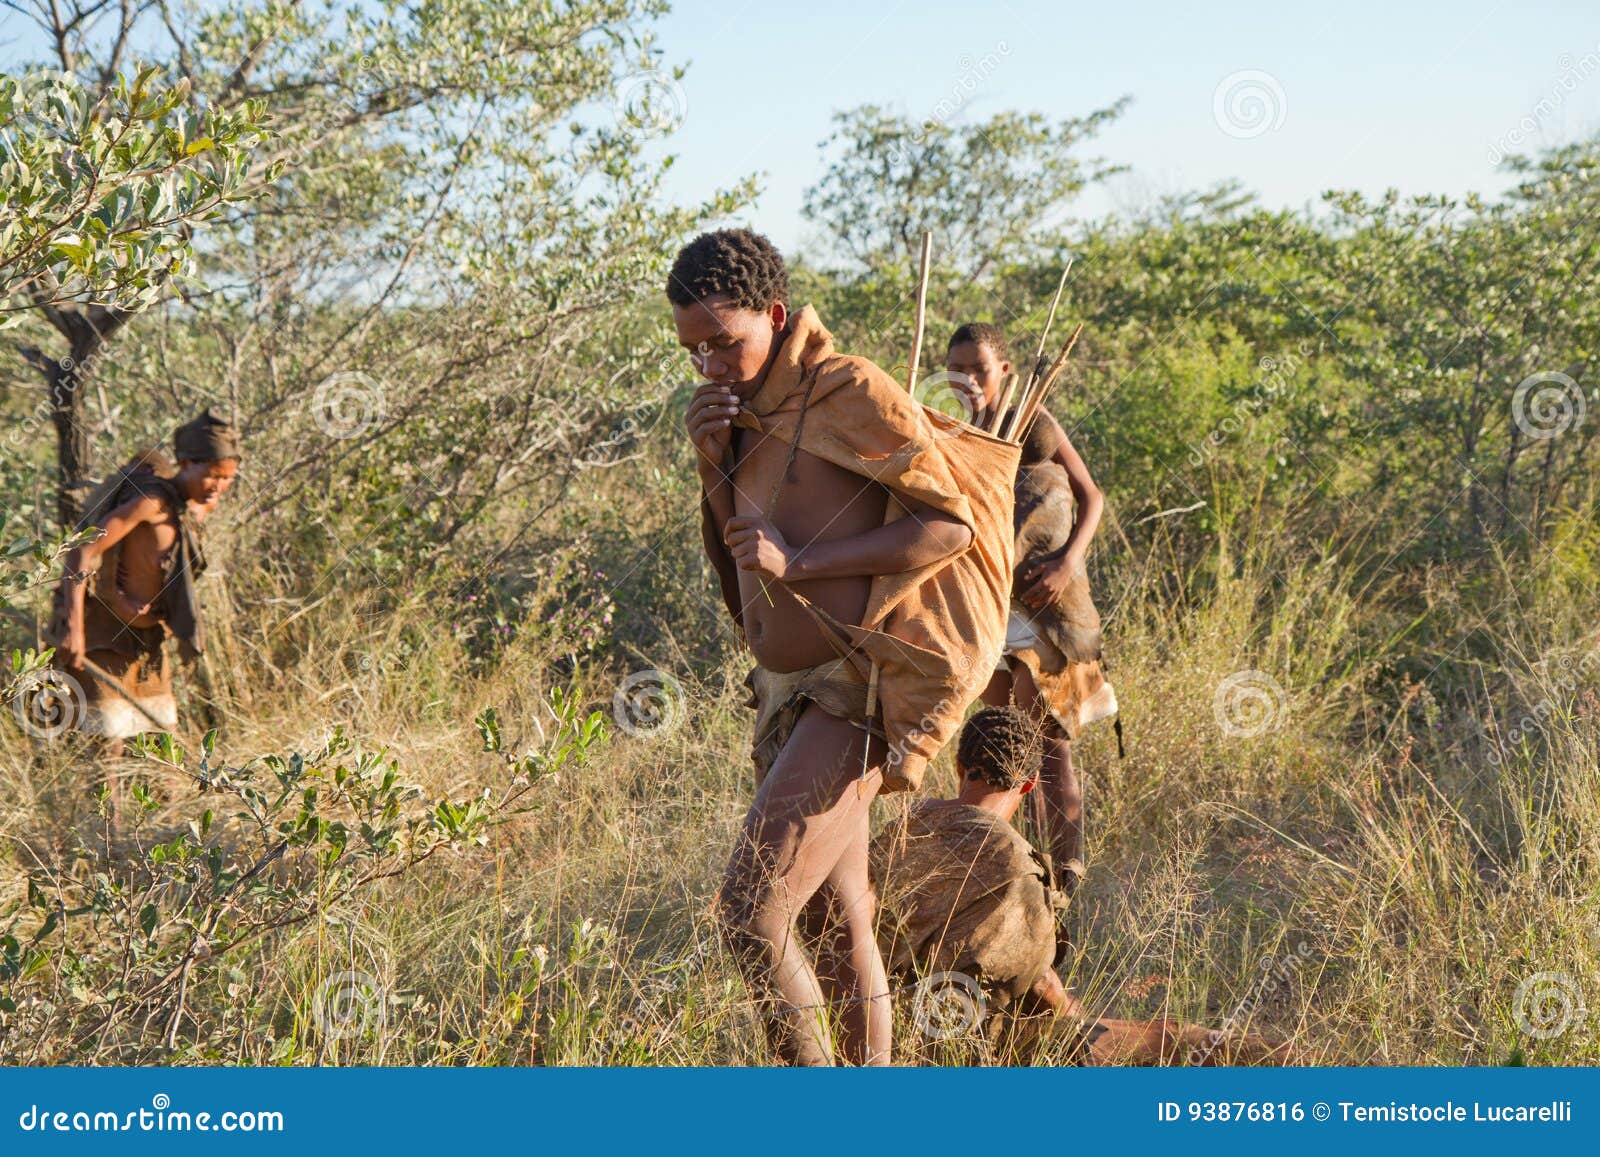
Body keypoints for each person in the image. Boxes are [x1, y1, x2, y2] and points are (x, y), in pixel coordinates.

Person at [672, 229, 1017, 1065]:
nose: (713, 365)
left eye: (727, 342)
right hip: (783, 691)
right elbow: (738, 551)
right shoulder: (737, 410)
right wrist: (714, 462)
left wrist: (806, 563)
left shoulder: (849, 388)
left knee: (750, 912)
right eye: (694, 351)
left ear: (777, 315)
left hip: (855, 686)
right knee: (837, 916)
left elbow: (948, 525)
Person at [873, 707, 1296, 1065]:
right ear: (1029, 785)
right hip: (974, 1043)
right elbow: (1041, 990)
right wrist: (1083, 1021)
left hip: (879, 1026)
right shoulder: (1017, 865)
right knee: (1180, 1039)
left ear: (960, 767)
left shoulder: (900, 829)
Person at [946, 322, 1115, 908]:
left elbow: (1091, 495)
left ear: (1005, 372)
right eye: (957, 372)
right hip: (990, 607)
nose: (969, 381)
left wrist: (1068, 562)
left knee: (1052, 747)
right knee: (999, 746)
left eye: (979, 370)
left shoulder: (1033, 421)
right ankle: (1010, 882)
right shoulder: (955, 433)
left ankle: (1065, 886)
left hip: (1050, 610)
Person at [48, 411, 241, 821]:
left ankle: (164, 840)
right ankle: (107, 848)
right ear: (186, 464)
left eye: (227, 478)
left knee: (161, 749)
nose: (218, 487)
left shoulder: (191, 510)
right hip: (104, 638)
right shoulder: (151, 502)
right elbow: (83, 551)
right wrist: (74, 629)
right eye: (212, 475)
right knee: (110, 750)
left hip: (148, 644)